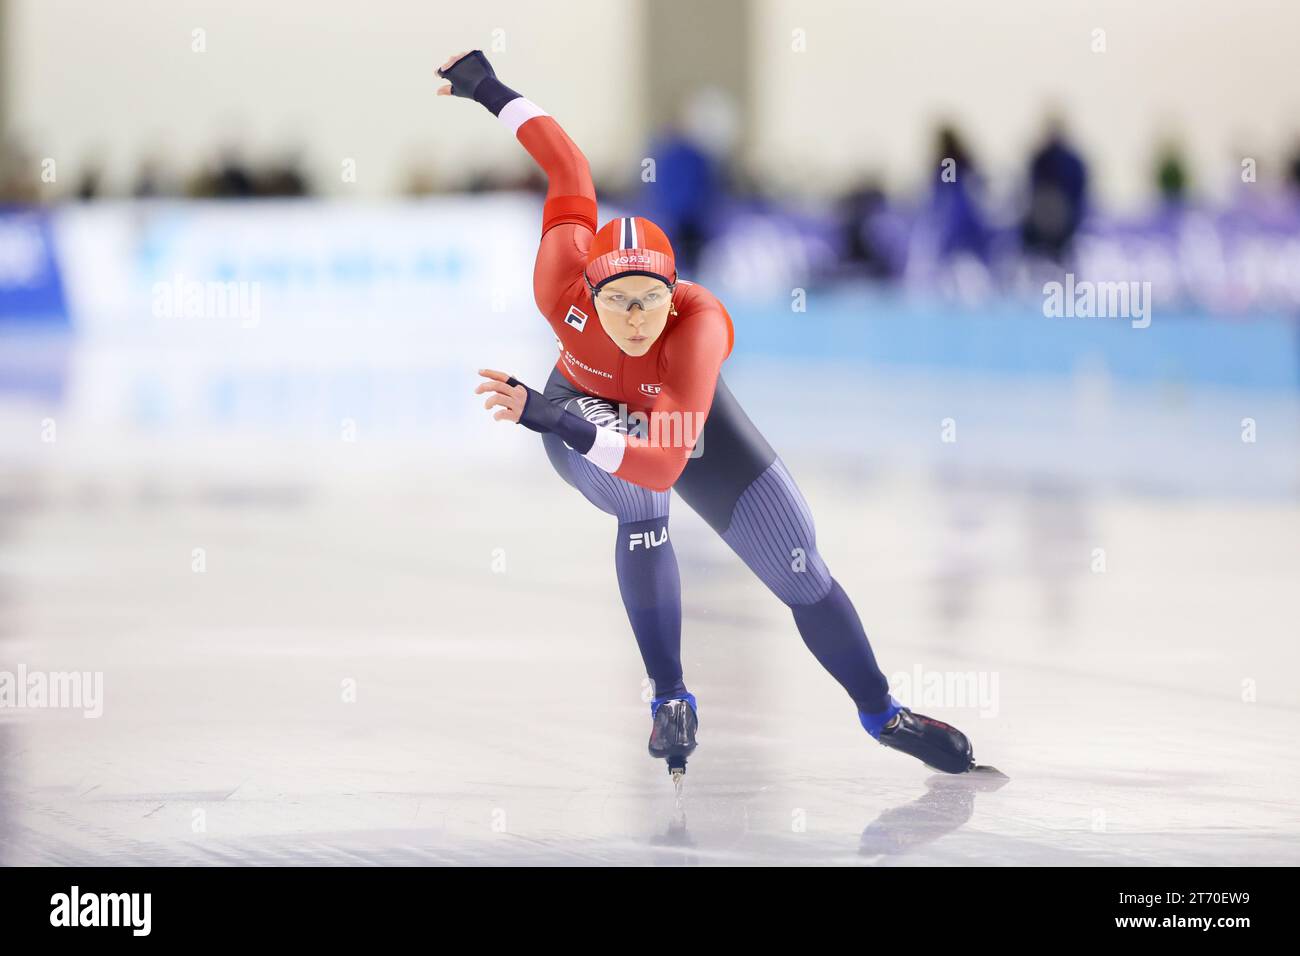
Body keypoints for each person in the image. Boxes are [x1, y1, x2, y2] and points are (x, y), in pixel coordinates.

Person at [438, 50, 980, 779]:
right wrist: (487, 86)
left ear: (677, 293)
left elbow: (666, 457)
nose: (633, 318)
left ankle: (883, 713)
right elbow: (566, 161)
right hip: (580, 401)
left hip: (638, 417)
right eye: (615, 302)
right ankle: (669, 698)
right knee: (640, 502)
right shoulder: (556, 278)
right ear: (584, 294)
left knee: (797, 559)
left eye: (649, 301)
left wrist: (549, 420)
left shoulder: (700, 328)